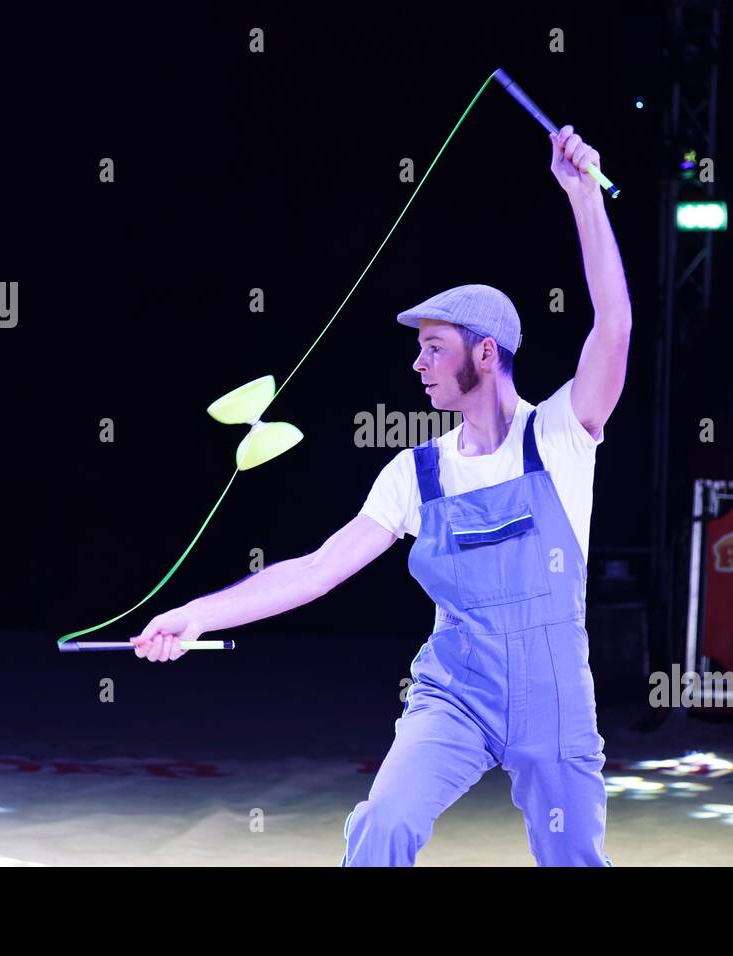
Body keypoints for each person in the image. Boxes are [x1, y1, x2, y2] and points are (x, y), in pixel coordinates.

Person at [131, 125, 631, 865]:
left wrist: (584, 196)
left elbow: (614, 325)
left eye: (434, 347)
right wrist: (192, 615)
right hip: (454, 692)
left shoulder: (559, 435)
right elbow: (312, 570)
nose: (417, 363)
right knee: (383, 825)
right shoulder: (415, 473)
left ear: (485, 353)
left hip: (552, 699)